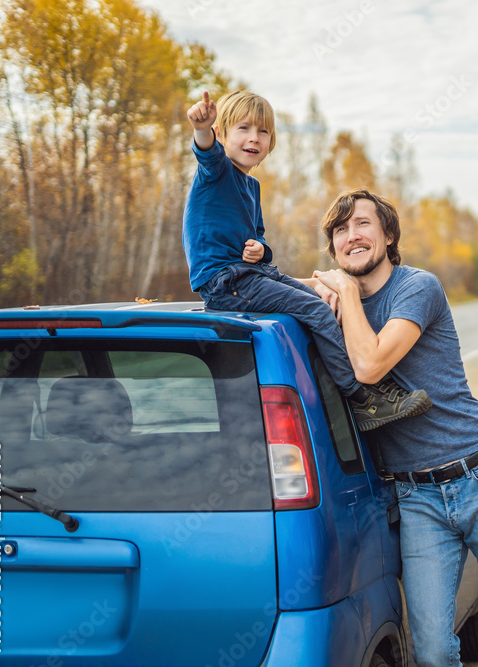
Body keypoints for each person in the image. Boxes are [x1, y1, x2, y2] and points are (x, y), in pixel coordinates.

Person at [312, 189, 478, 666]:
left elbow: (370, 365)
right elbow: (274, 288)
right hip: (416, 498)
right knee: (431, 651)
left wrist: (342, 292)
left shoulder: (417, 288)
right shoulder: (337, 296)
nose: (351, 236)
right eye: (340, 230)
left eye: (362, 224)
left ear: (388, 234)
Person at [182, 91, 430, 431]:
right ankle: (361, 399)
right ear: (222, 133)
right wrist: (201, 128)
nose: (254, 138)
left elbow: (258, 234)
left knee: (318, 301)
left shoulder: (250, 186)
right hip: (225, 281)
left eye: (263, 132)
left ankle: (356, 384)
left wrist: (259, 248)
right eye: (243, 128)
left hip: (250, 272)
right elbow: (206, 153)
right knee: (314, 310)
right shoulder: (219, 171)